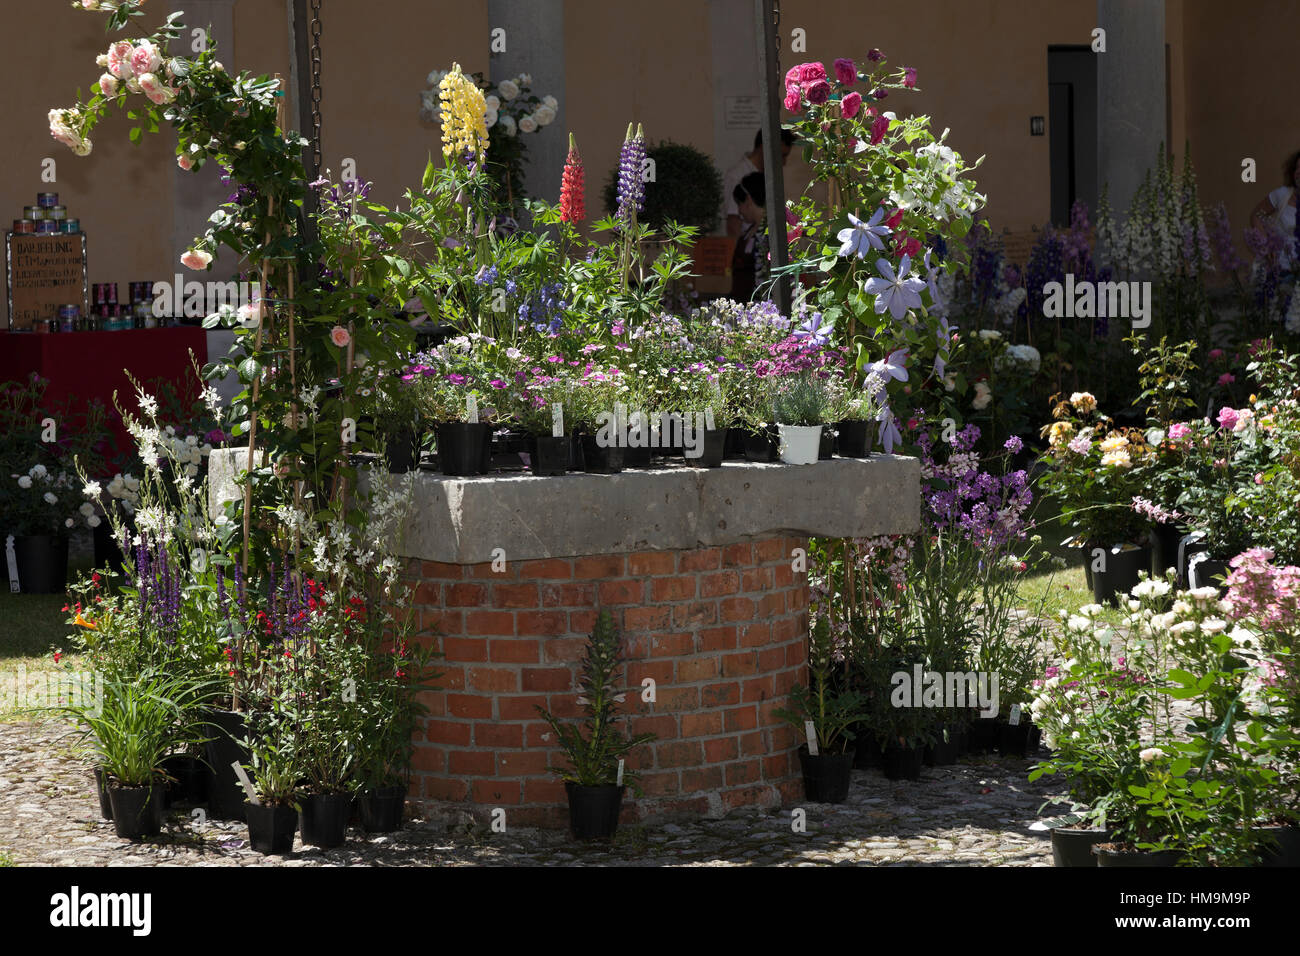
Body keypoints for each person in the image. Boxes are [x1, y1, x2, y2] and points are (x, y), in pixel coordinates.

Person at [722, 129, 795, 239]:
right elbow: (733, 224)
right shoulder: (736, 176)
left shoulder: (770, 175)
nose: (784, 162)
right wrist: (741, 253)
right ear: (764, 148)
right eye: (781, 155)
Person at [1249, 150, 1300, 267]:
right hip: (1283, 268)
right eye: (1297, 168)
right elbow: (1256, 216)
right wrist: (1266, 245)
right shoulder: (1282, 195)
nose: (1299, 172)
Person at [730, 172, 766, 301]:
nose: (739, 211)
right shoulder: (749, 231)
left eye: (739, 204)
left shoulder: (768, 232)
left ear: (748, 200)